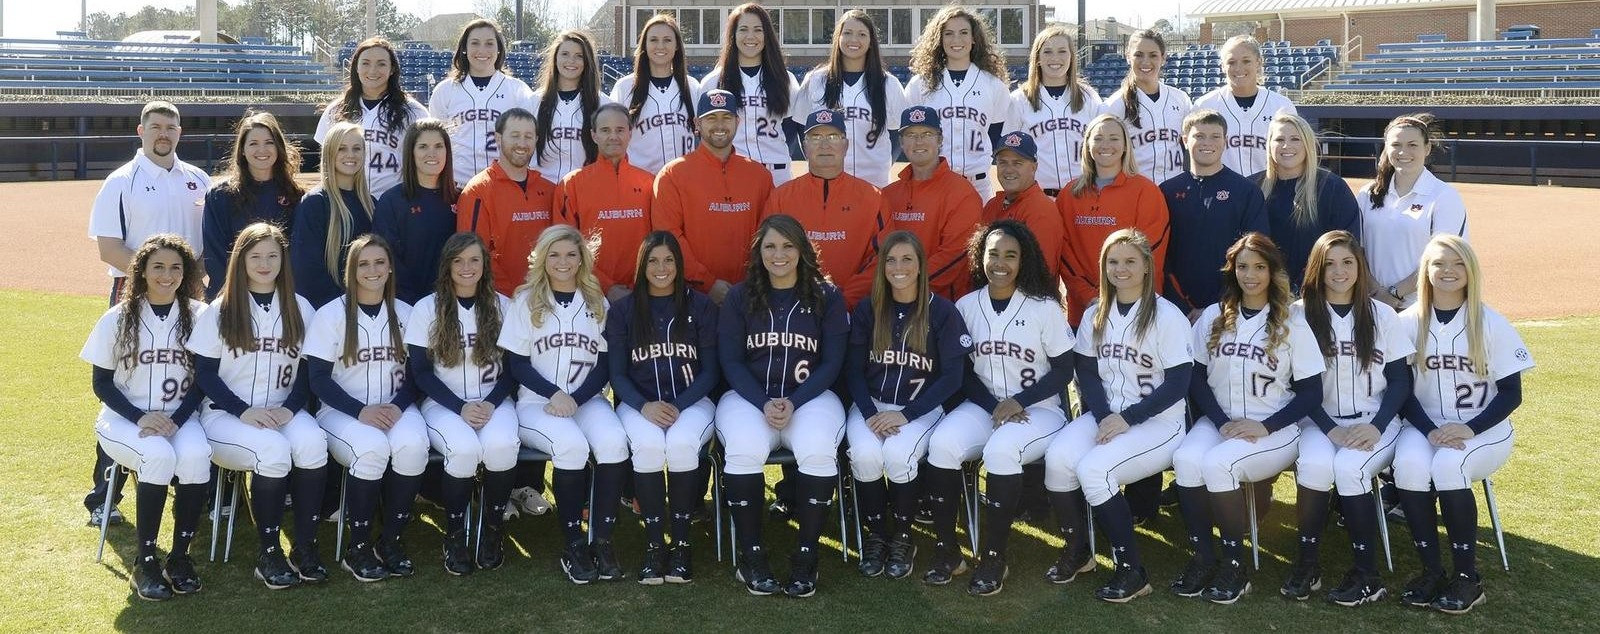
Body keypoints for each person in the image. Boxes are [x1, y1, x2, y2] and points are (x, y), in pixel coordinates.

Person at [1169, 232, 1324, 604]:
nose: (1250, 275)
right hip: (1221, 419)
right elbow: (1195, 376)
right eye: (1242, 267)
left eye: (1259, 267)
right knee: (1186, 460)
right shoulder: (1213, 315)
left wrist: (1265, 426)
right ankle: (1204, 557)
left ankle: (1234, 568)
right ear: (1232, 270)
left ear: (1273, 272)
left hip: (1275, 425)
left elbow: (1311, 393)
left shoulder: (1292, 320)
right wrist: (1219, 421)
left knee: (1220, 465)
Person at [923, 220, 1074, 595]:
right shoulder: (966, 305)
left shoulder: (1044, 307)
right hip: (984, 405)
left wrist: (1017, 402)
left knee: (1002, 450)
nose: (1001, 262)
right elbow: (962, 372)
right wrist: (995, 405)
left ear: (1025, 260)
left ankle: (994, 556)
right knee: (941, 445)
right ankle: (948, 551)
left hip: (1039, 409)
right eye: (993, 254)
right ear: (980, 256)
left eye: (1011, 255)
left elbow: (1065, 370)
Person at [1043, 229, 1191, 603]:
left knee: (1095, 470)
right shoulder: (1096, 312)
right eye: (1113, 261)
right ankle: (1080, 550)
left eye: (1130, 261)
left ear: (1146, 267)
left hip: (1160, 423)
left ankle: (1132, 571)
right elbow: (1088, 372)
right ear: (1103, 266)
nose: (1120, 268)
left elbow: (1178, 383)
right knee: (1059, 459)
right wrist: (1106, 415)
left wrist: (1127, 419)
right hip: (1108, 415)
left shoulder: (1166, 314)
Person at [85, 101, 211, 525]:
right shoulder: (121, 181)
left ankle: (189, 484)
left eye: (171, 127)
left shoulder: (199, 179)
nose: (164, 134)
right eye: (155, 126)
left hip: (189, 298)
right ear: (140, 131)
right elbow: (109, 248)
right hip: (134, 294)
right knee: (127, 388)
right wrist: (156, 279)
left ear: (180, 132)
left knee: (190, 382)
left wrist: (189, 285)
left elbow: (206, 246)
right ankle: (105, 496)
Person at [1393, 234, 1531, 615]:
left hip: (1484, 430)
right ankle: (1432, 571)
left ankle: (1468, 577)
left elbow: (1511, 393)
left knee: (1448, 464)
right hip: (1426, 426)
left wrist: (1469, 429)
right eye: (1439, 263)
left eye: (1457, 263)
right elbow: (1400, 391)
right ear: (1426, 270)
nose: (1448, 271)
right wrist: (1428, 430)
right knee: (1408, 466)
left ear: (1470, 270)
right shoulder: (1407, 322)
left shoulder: (1490, 321)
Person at [187, 223, 327, 590]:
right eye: (255, 256)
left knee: (313, 444)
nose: (264, 263)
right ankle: (269, 553)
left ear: (284, 260)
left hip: (283, 410)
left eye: (272, 255)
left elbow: (309, 371)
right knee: (274, 450)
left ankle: (304, 546)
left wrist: (292, 409)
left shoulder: (300, 306)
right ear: (241, 261)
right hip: (226, 416)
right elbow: (205, 374)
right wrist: (242, 411)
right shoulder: (222, 308)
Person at [717, 214, 850, 598]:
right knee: (743, 450)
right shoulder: (741, 296)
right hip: (748, 397)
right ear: (759, 251)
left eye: (788, 246)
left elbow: (832, 363)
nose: (779, 254)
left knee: (818, 450)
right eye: (770, 246)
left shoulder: (827, 295)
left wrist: (794, 401)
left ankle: (806, 556)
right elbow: (731, 361)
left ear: (803, 250)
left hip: (809, 398)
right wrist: (763, 402)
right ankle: (751, 555)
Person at [1285, 230, 1413, 606]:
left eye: (1348, 262)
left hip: (1376, 420)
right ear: (1316, 269)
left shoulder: (1382, 314)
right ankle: (1308, 564)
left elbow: (1399, 381)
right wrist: (1330, 430)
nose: (1339, 271)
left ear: (1360, 267)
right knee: (1314, 465)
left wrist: (1375, 427)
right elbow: (1295, 386)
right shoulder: (1298, 314)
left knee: (1350, 470)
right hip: (1318, 421)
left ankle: (1367, 574)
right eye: (1329, 264)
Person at [81, 234, 211, 601]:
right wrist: (141, 418)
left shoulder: (199, 316)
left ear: (185, 273)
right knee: (158, 455)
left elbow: (205, 379)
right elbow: (102, 384)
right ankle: (147, 560)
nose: (167, 275)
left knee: (196, 457)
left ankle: (180, 558)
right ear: (141, 271)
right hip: (123, 418)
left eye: (175, 267)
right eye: (158, 267)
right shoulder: (119, 317)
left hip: (180, 417)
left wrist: (177, 419)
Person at [500, 225, 631, 584]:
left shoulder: (596, 299)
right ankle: (574, 542)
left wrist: (577, 398)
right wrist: (555, 394)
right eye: (554, 254)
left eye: (571, 254)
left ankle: (601, 540)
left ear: (582, 259)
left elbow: (604, 362)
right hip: (535, 403)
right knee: (571, 447)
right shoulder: (525, 299)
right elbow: (517, 364)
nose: (563, 262)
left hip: (585, 399)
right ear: (542, 257)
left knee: (614, 444)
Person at [845, 231, 970, 579]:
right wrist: (871, 414)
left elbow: (951, 378)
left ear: (920, 267)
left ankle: (902, 537)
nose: (898, 267)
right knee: (866, 456)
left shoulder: (942, 311)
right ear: (882, 266)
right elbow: (853, 371)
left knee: (899, 456)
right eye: (891, 260)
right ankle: (877, 536)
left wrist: (905, 414)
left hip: (919, 409)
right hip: (871, 406)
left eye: (907, 260)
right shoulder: (869, 309)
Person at [304, 234, 428, 581]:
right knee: (371, 449)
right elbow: (318, 379)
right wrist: (361, 411)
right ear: (351, 270)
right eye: (363, 264)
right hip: (341, 412)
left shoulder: (407, 313)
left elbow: (418, 373)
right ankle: (357, 547)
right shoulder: (331, 315)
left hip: (397, 407)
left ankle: (390, 541)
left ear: (390, 267)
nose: (372, 270)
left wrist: (398, 406)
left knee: (413, 446)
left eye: (379, 262)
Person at [605, 231, 721, 585]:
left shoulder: (700, 305)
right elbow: (617, 375)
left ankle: (682, 543)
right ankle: (655, 545)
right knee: (650, 446)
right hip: (638, 403)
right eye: (653, 260)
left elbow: (711, 370)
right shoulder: (624, 309)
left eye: (669, 260)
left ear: (679, 264)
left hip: (691, 401)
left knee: (683, 445)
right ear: (642, 265)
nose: (661, 268)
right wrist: (644, 407)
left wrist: (676, 405)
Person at [402, 233, 518, 576]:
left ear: (485, 265)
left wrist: (491, 403)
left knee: (501, 447)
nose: (467, 268)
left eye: (474, 260)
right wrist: (460, 407)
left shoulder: (502, 305)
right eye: (459, 261)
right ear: (447, 265)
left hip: (494, 400)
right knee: (464, 450)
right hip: (443, 404)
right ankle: (454, 533)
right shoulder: (427, 307)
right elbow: (420, 373)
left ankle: (492, 529)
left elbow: (514, 370)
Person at [651, 89, 774, 304]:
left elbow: (770, 234)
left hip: (750, 295)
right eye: (711, 118)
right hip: (692, 297)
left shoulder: (759, 175)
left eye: (726, 117)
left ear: (738, 121)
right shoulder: (673, 174)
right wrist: (707, 282)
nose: (719, 125)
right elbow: (668, 236)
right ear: (697, 124)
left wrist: (753, 282)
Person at [763, 109, 886, 307]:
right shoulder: (780, 197)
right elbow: (767, 252)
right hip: (795, 307)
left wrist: (844, 300)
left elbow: (882, 257)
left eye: (833, 136)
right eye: (815, 137)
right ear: (804, 147)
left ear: (845, 145)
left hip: (854, 309)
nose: (824, 144)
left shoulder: (873, 197)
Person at [1057, 115, 1169, 326]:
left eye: (1114, 138)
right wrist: (1089, 296)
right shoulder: (1069, 195)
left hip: (1135, 310)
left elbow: (1152, 252)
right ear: (1087, 145)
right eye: (1098, 138)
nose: (1105, 145)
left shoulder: (1146, 191)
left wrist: (1123, 298)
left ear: (1126, 145)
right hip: (1085, 312)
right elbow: (1063, 255)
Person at [904, 5, 1020, 201]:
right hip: (934, 183)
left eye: (963, 32)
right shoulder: (920, 84)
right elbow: (909, 135)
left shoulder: (993, 85)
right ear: (939, 40)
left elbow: (996, 136)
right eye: (948, 33)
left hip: (977, 185)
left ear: (974, 38)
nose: (956, 40)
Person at [1161, 110, 1269, 320]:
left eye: (1215, 136)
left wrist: (1221, 304)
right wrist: (1180, 304)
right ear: (1184, 140)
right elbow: (1161, 256)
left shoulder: (1246, 191)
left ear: (1225, 141)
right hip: (1175, 310)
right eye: (1199, 136)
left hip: (1229, 309)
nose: (1207, 142)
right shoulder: (1166, 191)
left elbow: (1257, 254)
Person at [1358, 114, 1469, 310]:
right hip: (1373, 305)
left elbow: (1443, 258)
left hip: (1422, 309)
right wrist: (1376, 291)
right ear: (1386, 148)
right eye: (1396, 145)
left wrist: (1394, 292)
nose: (1403, 152)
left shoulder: (1444, 196)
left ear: (1427, 149)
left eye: (1412, 145)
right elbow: (1357, 249)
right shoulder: (1367, 194)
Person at [793, 10, 907, 188]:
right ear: (838, 38)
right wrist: (817, 161)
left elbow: (897, 133)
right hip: (826, 181)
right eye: (847, 33)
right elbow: (801, 126)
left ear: (871, 42)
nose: (854, 40)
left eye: (862, 34)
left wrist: (881, 163)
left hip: (874, 182)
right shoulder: (816, 80)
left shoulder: (888, 84)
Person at [881, 106, 982, 300]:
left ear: (940, 139)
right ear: (901, 142)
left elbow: (954, 256)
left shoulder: (962, 193)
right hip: (894, 299)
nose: (918, 141)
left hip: (941, 304)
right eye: (910, 134)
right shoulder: (888, 195)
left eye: (927, 133)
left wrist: (907, 287)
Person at [558, 103, 655, 302]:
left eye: (620, 130)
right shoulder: (572, 184)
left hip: (642, 294)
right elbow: (565, 246)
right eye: (605, 130)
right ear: (594, 135)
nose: (613, 136)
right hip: (590, 296)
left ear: (630, 133)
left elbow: (659, 242)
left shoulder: (649, 182)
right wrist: (606, 287)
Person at [202, 111, 305, 299]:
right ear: (242, 149)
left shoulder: (296, 196)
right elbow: (215, 257)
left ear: (279, 147)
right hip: (234, 298)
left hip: (281, 299)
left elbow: (297, 257)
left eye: (269, 143)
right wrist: (237, 298)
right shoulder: (220, 196)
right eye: (253, 144)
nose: (262, 150)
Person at [457, 107, 558, 298]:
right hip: (500, 301)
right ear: (498, 137)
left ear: (536, 140)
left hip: (545, 297)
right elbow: (472, 253)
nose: (522, 143)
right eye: (514, 135)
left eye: (528, 136)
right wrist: (511, 294)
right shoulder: (478, 191)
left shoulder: (551, 190)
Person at [1254, 113, 1361, 288]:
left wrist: (1303, 284)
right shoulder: (1252, 188)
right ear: (1269, 144)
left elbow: (1347, 244)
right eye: (1279, 139)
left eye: (1295, 139)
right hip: (1264, 292)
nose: (1286, 146)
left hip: (1317, 292)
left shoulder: (1332, 187)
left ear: (1307, 143)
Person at [317, 37, 429, 197]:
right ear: (355, 67)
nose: (373, 70)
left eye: (381, 64)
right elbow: (326, 161)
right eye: (366, 63)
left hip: (392, 202)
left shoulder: (413, 110)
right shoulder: (336, 110)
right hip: (347, 201)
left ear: (392, 69)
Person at [701, 3, 800, 185]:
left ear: (767, 35)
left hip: (777, 174)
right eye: (743, 29)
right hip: (732, 173)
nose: (750, 36)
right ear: (733, 35)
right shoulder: (713, 81)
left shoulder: (785, 79)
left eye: (758, 30)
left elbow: (790, 129)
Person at [427, 19, 535, 185]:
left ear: (499, 49)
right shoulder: (445, 90)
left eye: (489, 43)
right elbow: (435, 141)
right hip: (455, 184)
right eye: (475, 43)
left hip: (503, 183)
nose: (482, 50)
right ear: (464, 48)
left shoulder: (517, 90)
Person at [374, 118, 460, 304]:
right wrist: (413, 304)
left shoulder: (462, 199)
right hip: (406, 306)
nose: (432, 153)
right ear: (411, 153)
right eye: (423, 146)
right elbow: (387, 258)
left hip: (452, 305)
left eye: (439, 146)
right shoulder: (391, 201)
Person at [291, 121, 376, 308]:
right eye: (342, 149)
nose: (350, 155)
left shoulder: (372, 205)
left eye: (357, 148)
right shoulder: (315, 204)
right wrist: (342, 309)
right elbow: (307, 272)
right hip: (328, 314)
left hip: (367, 312)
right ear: (330, 153)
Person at [1011, 25, 1103, 196]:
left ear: (1071, 57)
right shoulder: (1019, 99)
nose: (1055, 58)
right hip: (1038, 197)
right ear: (1037, 57)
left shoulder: (1088, 96)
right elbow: (1010, 153)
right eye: (1047, 52)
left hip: (1083, 194)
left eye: (1062, 51)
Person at [1193, 35, 1298, 178]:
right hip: (1221, 192)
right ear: (1223, 66)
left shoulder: (1281, 105)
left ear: (1258, 62)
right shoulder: (1205, 105)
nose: (1239, 68)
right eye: (1231, 62)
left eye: (1246, 61)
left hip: (1269, 191)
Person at [611, 13, 700, 174]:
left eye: (667, 40)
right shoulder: (625, 87)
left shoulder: (692, 87)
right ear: (644, 44)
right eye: (653, 40)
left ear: (677, 45)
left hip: (684, 182)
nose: (660, 46)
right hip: (640, 184)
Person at [1105, 29, 1192, 185]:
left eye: (1153, 55)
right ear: (1128, 57)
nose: (1145, 62)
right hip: (1135, 192)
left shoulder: (1180, 99)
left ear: (1163, 58)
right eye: (1138, 55)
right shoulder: (1115, 105)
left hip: (1177, 191)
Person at [981, 131, 1066, 283]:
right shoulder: (992, 206)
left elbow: (1040, 274)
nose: (1008, 169)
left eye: (1017, 163)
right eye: (1002, 162)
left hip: (1030, 301)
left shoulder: (1041, 210)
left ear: (1034, 167)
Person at [531, 30, 612, 182]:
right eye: (565, 54)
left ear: (587, 61)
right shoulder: (533, 101)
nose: (571, 61)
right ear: (555, 58)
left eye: (579, 56)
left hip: (586, 189)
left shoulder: (604, 104)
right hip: (542, 191)